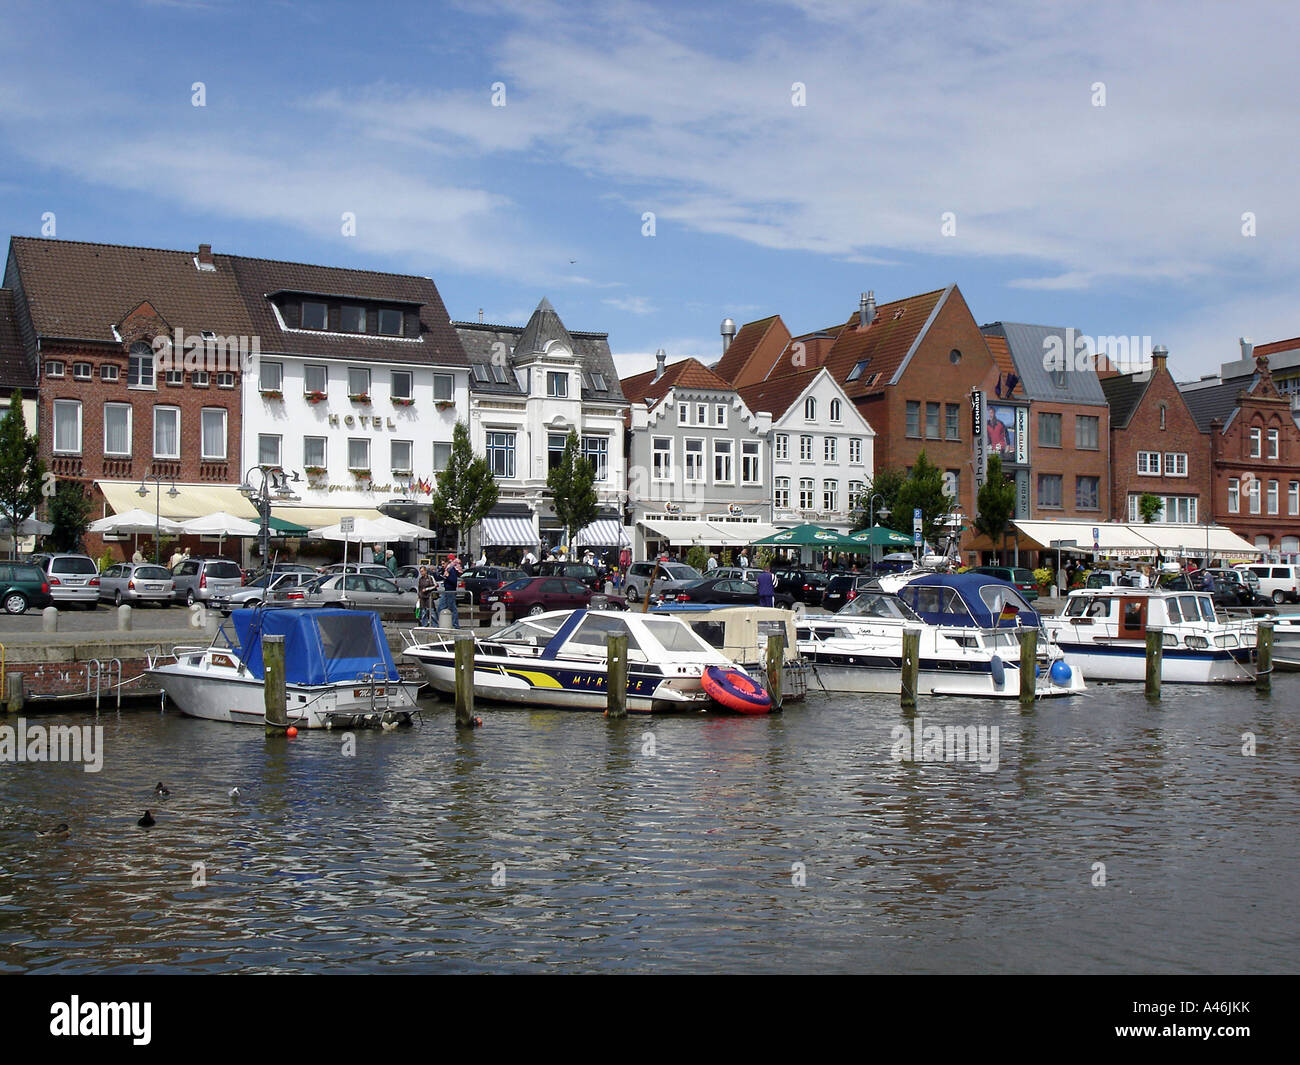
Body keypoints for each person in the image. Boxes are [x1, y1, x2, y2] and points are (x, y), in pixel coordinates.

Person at [437, 554, 462, 628]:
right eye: (441, 564)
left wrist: (448, 577)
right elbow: (439, 577)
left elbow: (454, 581)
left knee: (452, 608)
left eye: (443, 563)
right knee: (440, 607)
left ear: (447, 563)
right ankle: (441, 623)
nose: (442, 565)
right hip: (446, 591)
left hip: (451, 591)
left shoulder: (451, 569)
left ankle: (455, 625)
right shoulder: (446, 570)